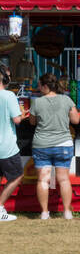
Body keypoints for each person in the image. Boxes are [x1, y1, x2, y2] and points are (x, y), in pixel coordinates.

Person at [25, 73, 78, 219]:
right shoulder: (66, 99)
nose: (38, 88)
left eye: (39, 85)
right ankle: (67, 212)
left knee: (43, 179)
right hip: (63, 144)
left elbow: (32, 122)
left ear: (45, 86)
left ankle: (44, 212)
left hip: (42, 145)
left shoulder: (37, 102)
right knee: (64, 179)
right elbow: (76, 120)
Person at [0, 68, 23, 221]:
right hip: (6, 146)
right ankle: (0, 207)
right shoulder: (9, 96)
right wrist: (22, 113)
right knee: (16, 176)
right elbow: (17, 120)